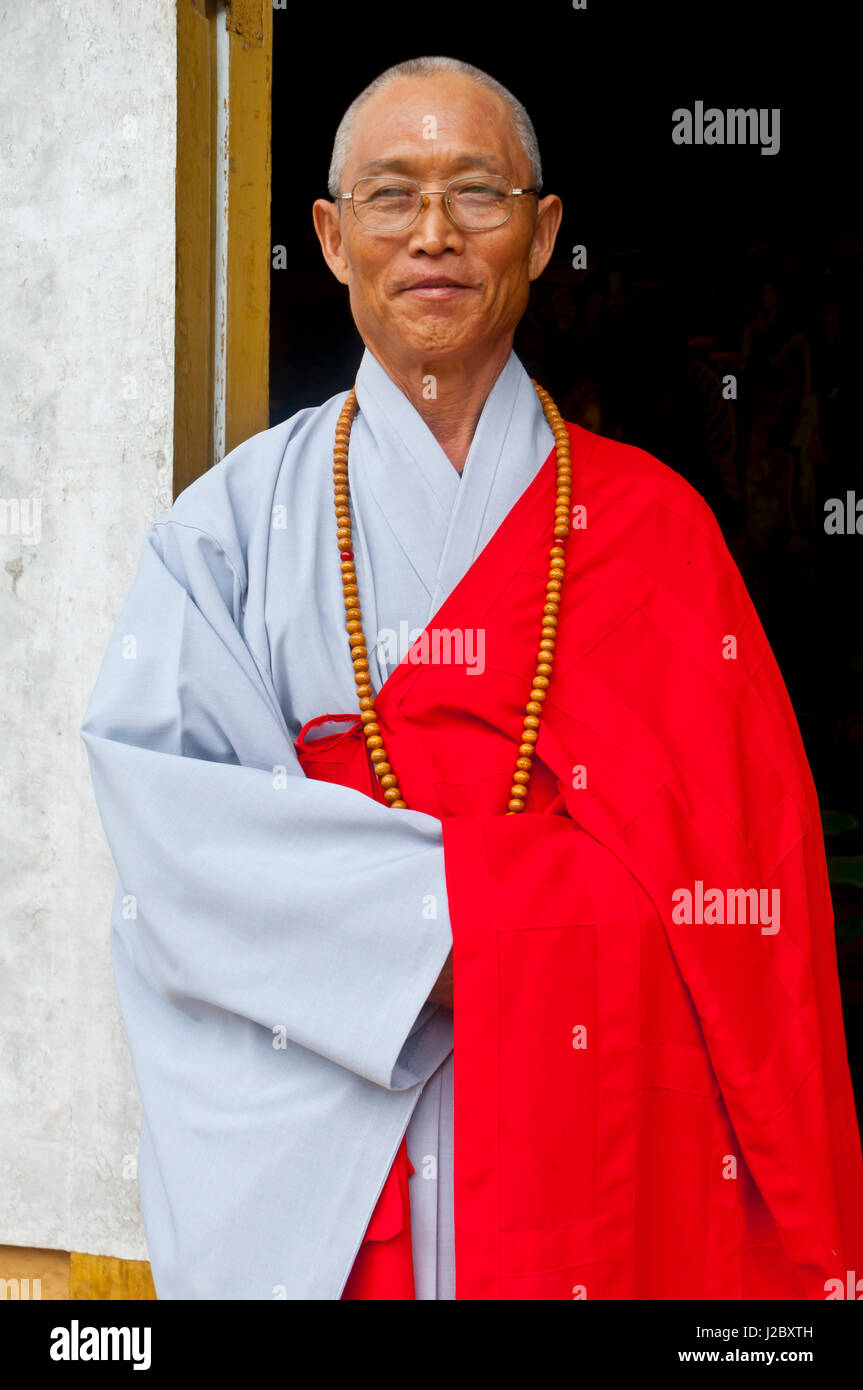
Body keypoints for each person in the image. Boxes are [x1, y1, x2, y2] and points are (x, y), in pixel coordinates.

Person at [81, 55, 863, 1300]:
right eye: (390, 195)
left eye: (476, 194)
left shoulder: (655, 532)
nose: (432, 233)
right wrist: (510, 915)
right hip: (332, 1172)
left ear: (542, 234)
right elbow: (178, 843)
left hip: (591, 1150)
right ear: (331, 240)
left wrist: (448, 921)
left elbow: (750, 900)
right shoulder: (226, 532)